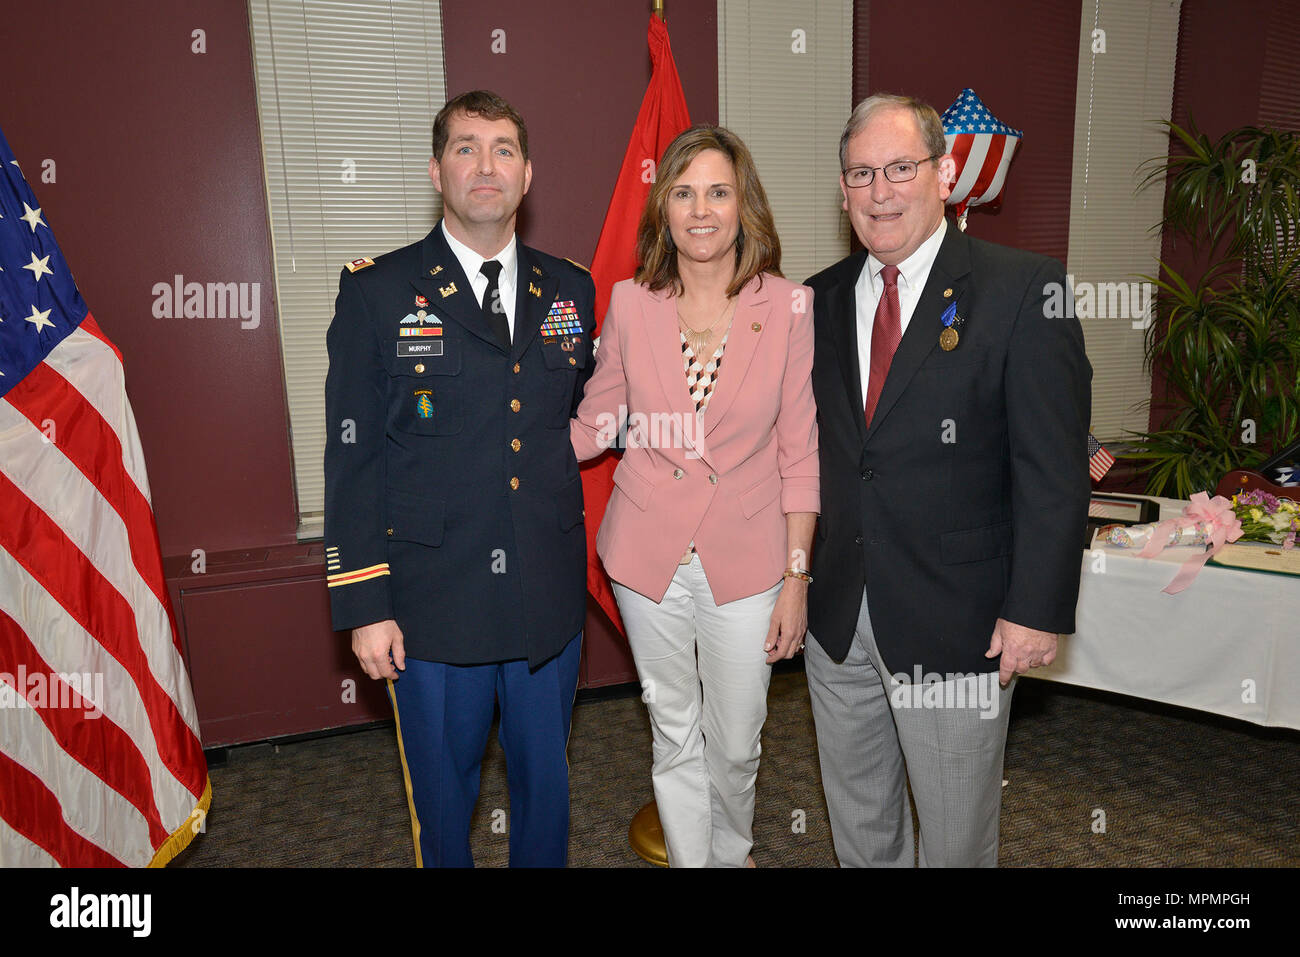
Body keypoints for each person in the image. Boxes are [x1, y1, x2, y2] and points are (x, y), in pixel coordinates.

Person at [803, 93, 1091, 867]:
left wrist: (1034, 607)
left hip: (958, 622)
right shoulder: (818, 300)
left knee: (956, 841)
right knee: (861, 830)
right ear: (841, 189)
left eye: (901, 167)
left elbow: (1054, 469)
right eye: (861, 172)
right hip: (837, 621)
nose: (880, 190)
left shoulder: (1024, 288)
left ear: (946, 171)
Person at [323, 90, 595, 867]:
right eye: (467, 148)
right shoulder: (377, 291)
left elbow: (587, 418)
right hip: (431, 607)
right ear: (436, 170)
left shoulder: (570, 289)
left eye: (504, 149)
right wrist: (365, 603)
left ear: (528, 173)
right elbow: (353, 454)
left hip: (545, 600)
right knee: (444, 807)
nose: (487, 165)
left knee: (548, 795)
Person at [570, 125, 819, 867]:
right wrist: (505, 453)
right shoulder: (630, 301)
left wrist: (797, 579)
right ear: (664, 208)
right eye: (683, 192)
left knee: (738, 739)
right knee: (672, 728)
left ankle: (731, 849)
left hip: (749, 561)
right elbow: (599, 418)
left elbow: (800, 451)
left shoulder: (789, 306)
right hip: (647, 558)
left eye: (717, 191)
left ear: (745, 205)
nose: (701, 209)